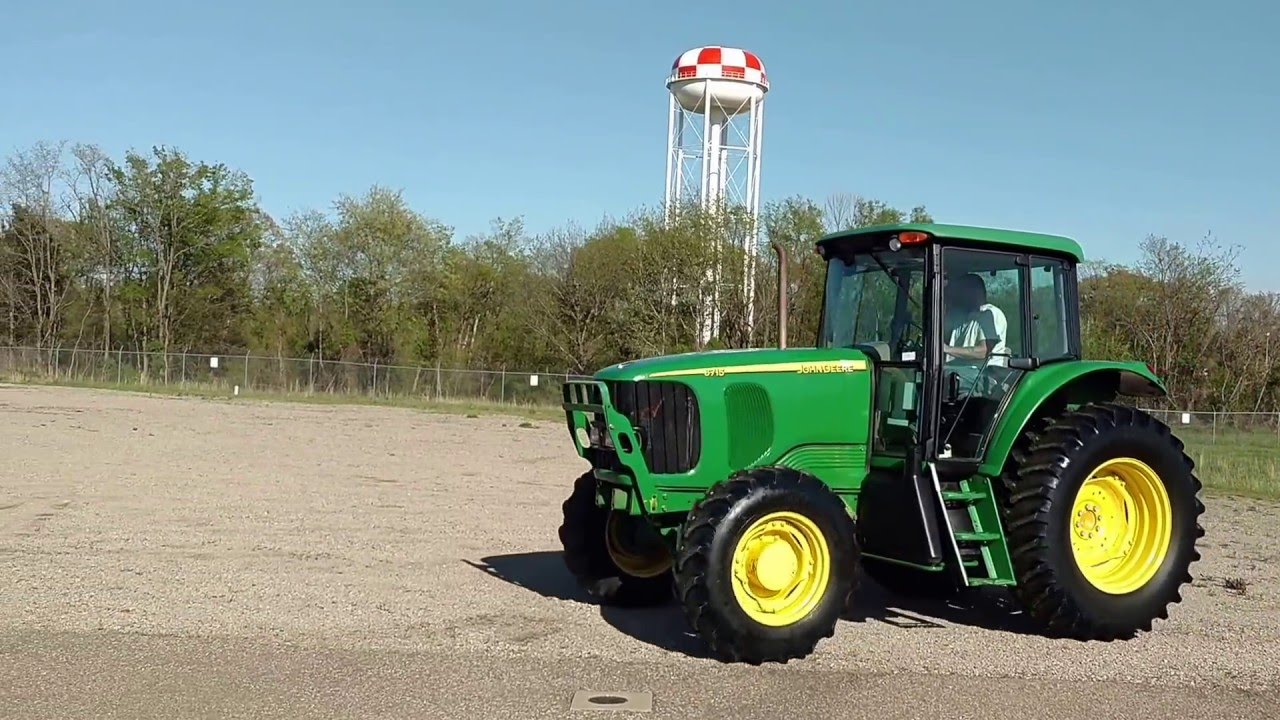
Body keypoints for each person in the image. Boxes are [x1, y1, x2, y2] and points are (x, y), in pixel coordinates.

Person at [943, 274, 1008, 367]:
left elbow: (983, 351)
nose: (957, 295)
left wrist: (947, 349)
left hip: (982, 374)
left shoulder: (990, 313)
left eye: (962, 290)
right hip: (958, 372)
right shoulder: (959, 316)